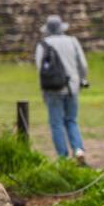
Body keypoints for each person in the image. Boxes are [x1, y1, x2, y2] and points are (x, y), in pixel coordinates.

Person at [34, 15, 90, 163]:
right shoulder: (72, 41)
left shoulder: (43, 44)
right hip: (72, 87)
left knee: (56, 123)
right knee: (71, 120)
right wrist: (82, 79)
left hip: (52, 88)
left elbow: (40, 68)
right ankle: (78, 149)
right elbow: (83, 65)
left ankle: (63, 157)